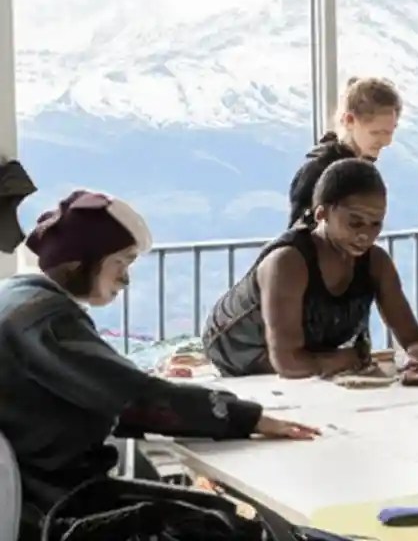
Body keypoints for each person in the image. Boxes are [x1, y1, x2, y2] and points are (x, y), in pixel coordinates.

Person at [0, 190, 317, 535]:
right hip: (59, 508)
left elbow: (109, 390)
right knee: (225, 524)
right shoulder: (46, 320)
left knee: (215, 510)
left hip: (39, 496)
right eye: (121, 262)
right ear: (79, 261)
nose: (126, 278)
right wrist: (250, 418)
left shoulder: (19, 299)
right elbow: (138, 399)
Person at [204, 159, 418, 377]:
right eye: (354, 222)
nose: (366, 234)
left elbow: (412, 337)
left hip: (302, 353)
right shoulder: (287, 263)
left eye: (376, 223)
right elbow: (288, 363)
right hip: (237, 355)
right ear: (321, 213)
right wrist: (351, 357)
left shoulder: (376, 263)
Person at [287, 76, 402, 228]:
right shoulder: (317, 171)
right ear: (349, 120)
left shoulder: (362, 169)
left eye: (389, 132)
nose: (387, 141)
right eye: (376, 133)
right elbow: (299, 236)